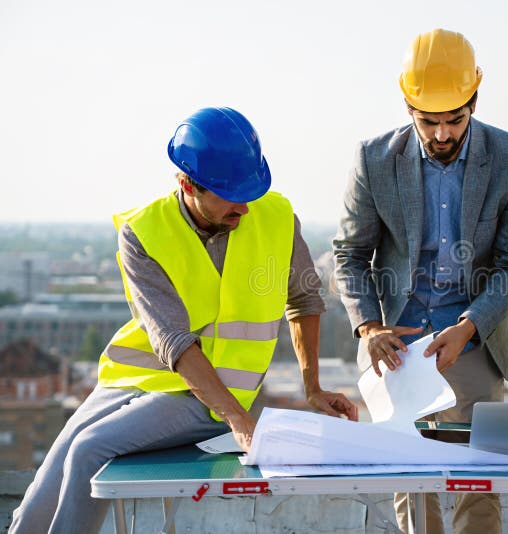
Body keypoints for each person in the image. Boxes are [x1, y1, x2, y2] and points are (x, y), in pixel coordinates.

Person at [10, 107, 358, 534]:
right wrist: (240, 423)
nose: (245, 207)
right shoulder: (143, 232)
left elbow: (303, 300)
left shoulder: (278, 218)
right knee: (41, 495)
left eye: (249, 191)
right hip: (139, 377)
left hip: (212, 396)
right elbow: (174, 340)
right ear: (188, 184)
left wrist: (311, 388)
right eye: (230, 194)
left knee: (89, 449)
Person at [333, 29, 508, 534]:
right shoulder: (373, 159)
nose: (442, 134)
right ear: (407, 105)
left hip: (475, 337)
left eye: (455, 119)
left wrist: (468, 327)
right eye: (428, 121)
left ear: (475, 100)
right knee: (412, 487)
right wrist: (369, 328)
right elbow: (349, 254)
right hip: (395, 346)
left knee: (478, 485)